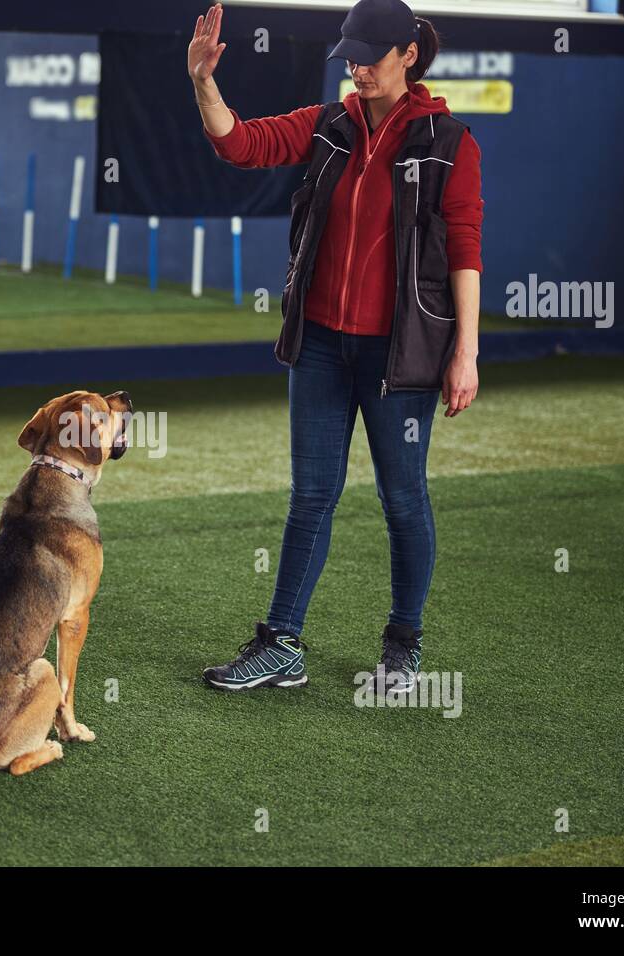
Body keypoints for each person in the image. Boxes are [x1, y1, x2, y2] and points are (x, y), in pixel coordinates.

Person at [191, 0, 484, 692]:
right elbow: (241, 143)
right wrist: (203, 81)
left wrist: (466, 351)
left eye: (370, 58)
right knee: (311, 497)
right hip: (320, 345)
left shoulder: (449, 142)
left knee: (402, 499)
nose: (357, 69)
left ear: (408, 55)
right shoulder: (330, 126)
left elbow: (466, 249)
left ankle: (403, 644)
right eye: (350, 57)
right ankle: (281, 644)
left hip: (400, 356)